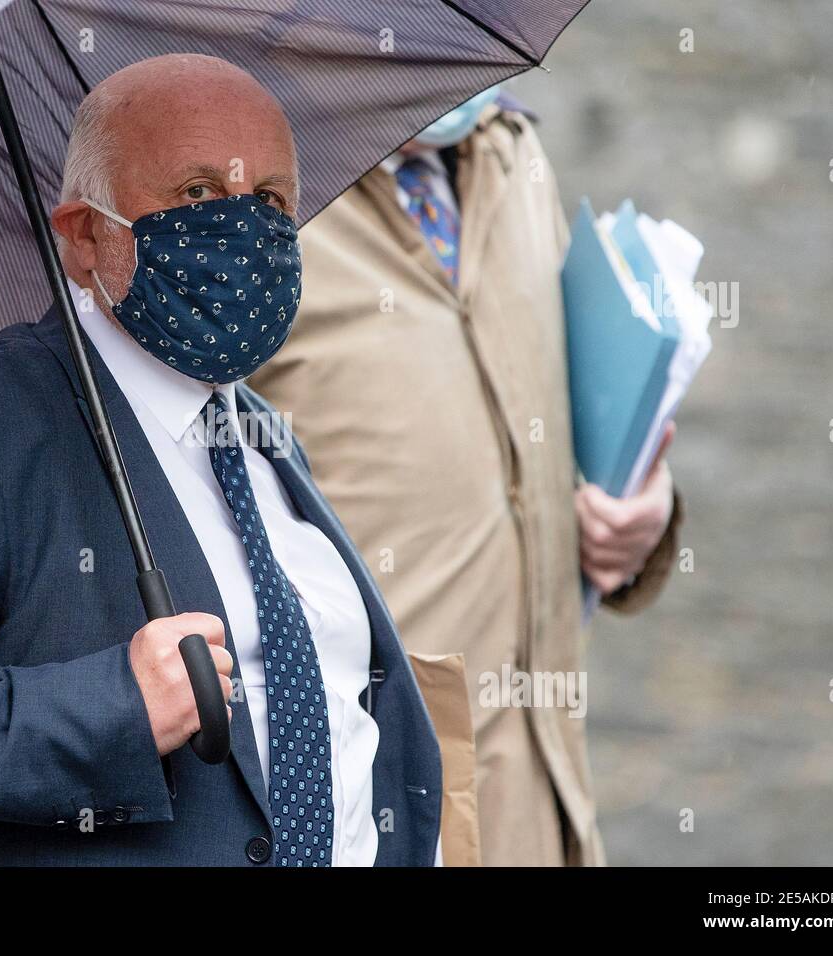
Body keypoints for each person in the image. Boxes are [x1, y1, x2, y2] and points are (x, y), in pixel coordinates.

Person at [0, 54, 442, 867]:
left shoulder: (264, 438)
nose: (243, 226)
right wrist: (116, 707)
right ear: (86, 235)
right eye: (195, 194)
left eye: (269, 199)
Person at [248, 87, 683, 866]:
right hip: (379, 825)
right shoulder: (260, 208)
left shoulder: (511, 149)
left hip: (547, 812)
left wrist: (642, 524)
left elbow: (547, 439)